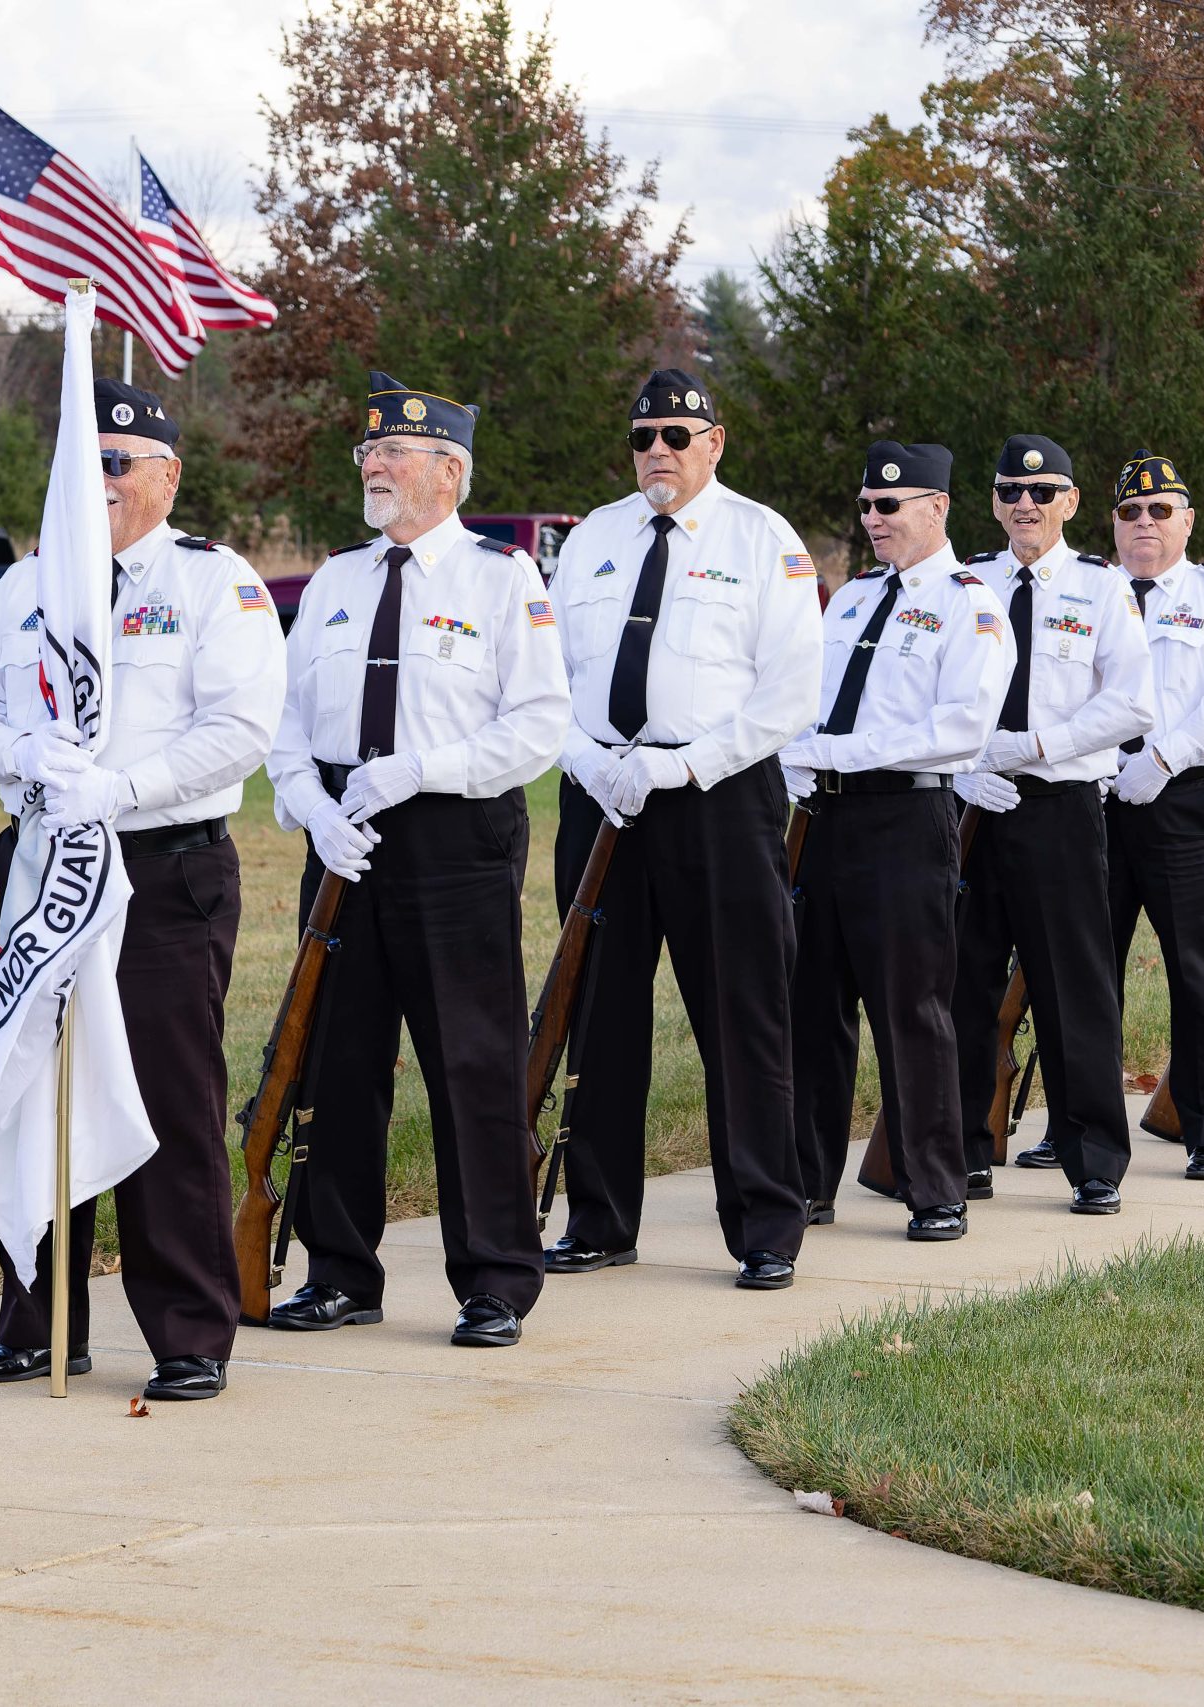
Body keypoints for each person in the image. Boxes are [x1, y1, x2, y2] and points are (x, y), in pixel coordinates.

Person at [0, 377, 285, 1400]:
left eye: (118, 466)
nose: (98, 486)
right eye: (81, 468)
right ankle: (38, 1324)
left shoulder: (215, 584)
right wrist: (30, 757)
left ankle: (187, 1334)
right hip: (45, 861)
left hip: (162, 864)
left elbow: (240, 729)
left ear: (167, 477)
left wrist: (120, 787)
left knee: (169, 1097)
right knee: (27, 1083)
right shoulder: (24, 589)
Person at [262, 371, 568, 1347]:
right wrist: (311, 807)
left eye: (393, 454)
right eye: (367, 453)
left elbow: (539, 728)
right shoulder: (337, 583)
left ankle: (494, 1280)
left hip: (453, 839)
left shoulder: (501, 577)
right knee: (334, 1062)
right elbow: (283, 722)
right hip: (346, 838)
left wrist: (421, 773)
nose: (374, 466)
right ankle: (340, 1271)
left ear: (449, 472)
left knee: (471, 1062)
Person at [541, 369, 821, 1290]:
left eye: (674, 434)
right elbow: (552, 671)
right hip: (603, 796)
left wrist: (684, 762)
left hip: (717, 797)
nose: (655, 451)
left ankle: (766, 1225)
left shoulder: (763, 539)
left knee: (742, 1016)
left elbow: (787, 694)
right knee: (599, 1014)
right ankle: (600, 1217)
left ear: (715, 441)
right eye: (641, 436)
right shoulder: (591, 538)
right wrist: (583, 758)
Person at [781, 441, 1008, 1241]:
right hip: (824, 820)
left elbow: (959, 729)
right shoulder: (848, 600)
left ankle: (934, 1184)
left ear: (937, 508)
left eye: (891, 506)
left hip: (907, 821)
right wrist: (793, 758)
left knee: (911, 1008)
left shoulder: (969, 602)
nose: (873, 519)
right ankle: (808, 1182)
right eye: (868, 506)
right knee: (813, 1006)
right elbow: (809, 699)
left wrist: (838, 752)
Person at [950, 436, 1154, 1212]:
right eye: (1010, 492)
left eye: (1042, 493)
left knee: (1075, 989)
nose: (1024, 505)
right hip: (971, 805)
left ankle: (1093, 1156)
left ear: (1069, 503)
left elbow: (1134, 701)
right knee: (962, 983)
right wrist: (966, 765)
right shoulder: (969, 583)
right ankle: (964, 1149)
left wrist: (1038, 745)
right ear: (995, 502)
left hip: (1059, 807)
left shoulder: (1101, 589)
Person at [1102, 452, 1204, 1181]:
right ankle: (1086, 1120)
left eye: (1160, 510)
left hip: (1189, 802)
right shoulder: (1088, 596)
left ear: (1188, 521)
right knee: (1084, 971)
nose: (1144, 522)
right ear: (1112, 522)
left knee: (1200, 970)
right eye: (1131, 511)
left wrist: (1161, 760)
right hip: (1097, 798)